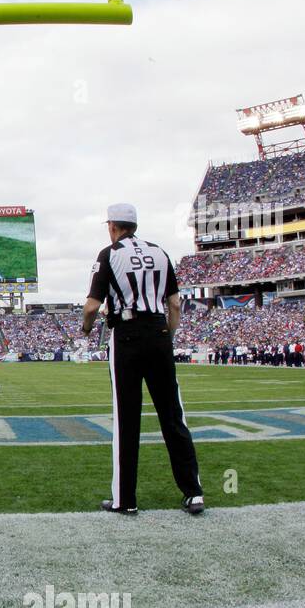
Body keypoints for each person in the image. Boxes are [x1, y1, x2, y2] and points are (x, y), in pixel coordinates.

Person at [83, 203, 203, 516]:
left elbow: (92, 306)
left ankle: (125, 499)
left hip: (126, 335)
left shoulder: (109, 254)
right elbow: (174, 304)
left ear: (112, 226)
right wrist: (167, 337)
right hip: (158, 331)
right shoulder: (160, 253)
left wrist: (86, 328)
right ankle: (193, 492)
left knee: (127, 419)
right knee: (173, 414)